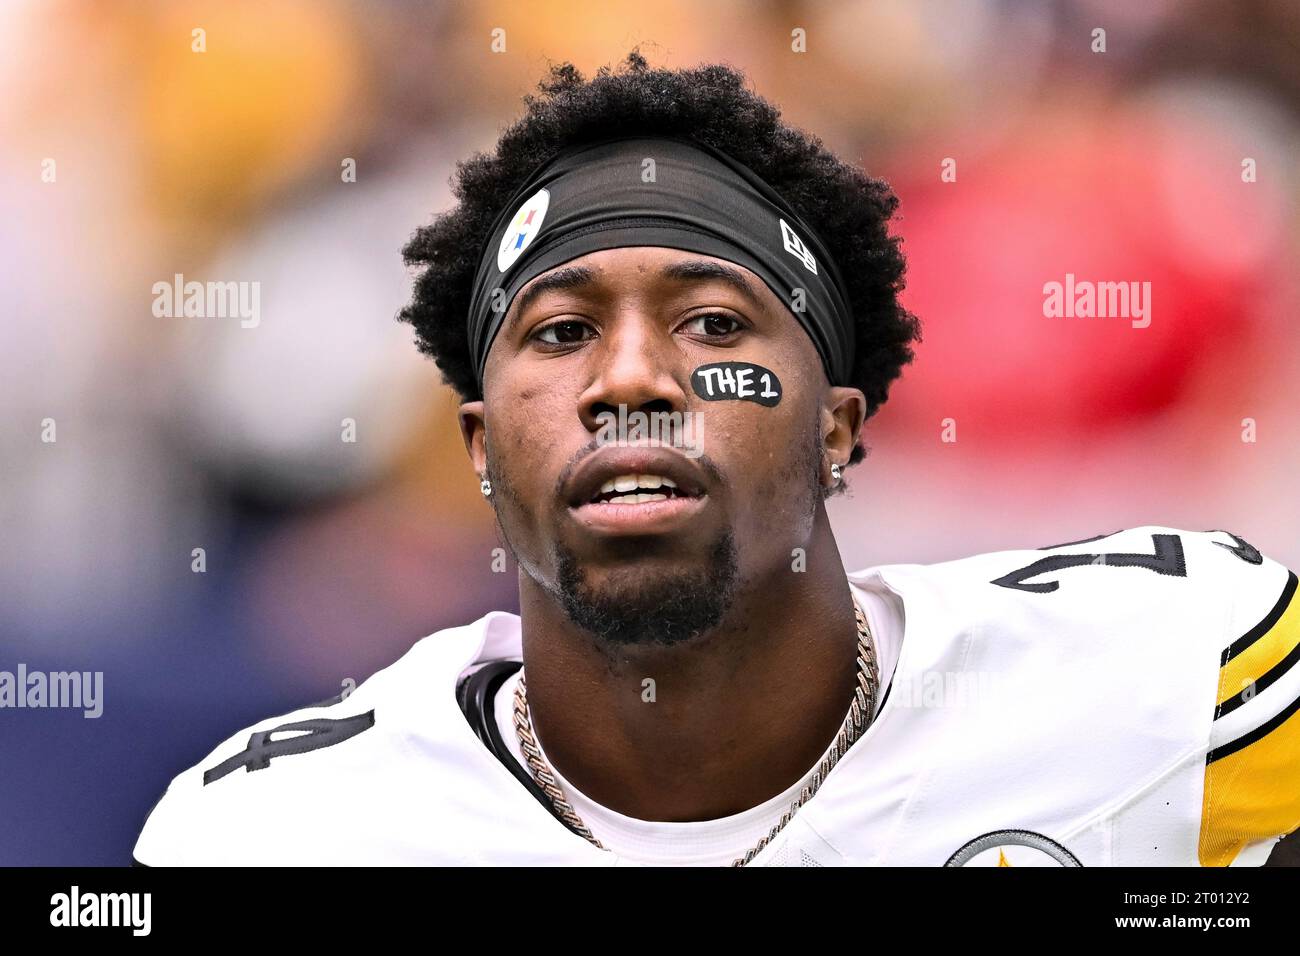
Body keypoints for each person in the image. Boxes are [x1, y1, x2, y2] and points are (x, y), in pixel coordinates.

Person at [133, 52, 1299, 867]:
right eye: (560, 332)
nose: (630, 379)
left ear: (839, 426)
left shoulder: (1176, 675)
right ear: (480, 449)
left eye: (713, 323)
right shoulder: (275, 835)